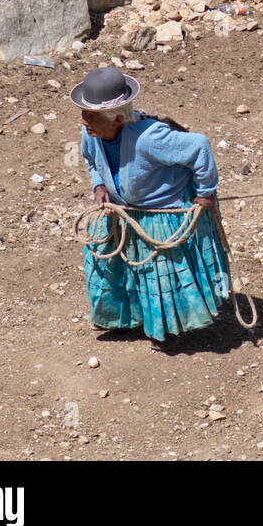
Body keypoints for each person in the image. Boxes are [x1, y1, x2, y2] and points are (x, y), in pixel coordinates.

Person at [71, 66, 231, 340]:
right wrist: (99, 185)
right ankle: (122, 318)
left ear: (118, 118)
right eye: (84, 114)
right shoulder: (92, 133)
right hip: (122, 212)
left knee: (159, 274)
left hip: (160, 212)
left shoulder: (150, 137)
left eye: (92, 117)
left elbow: (200, 146)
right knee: (107, 267)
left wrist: (205, 192)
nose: (85, 122)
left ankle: (167, 328)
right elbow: (90, 159)